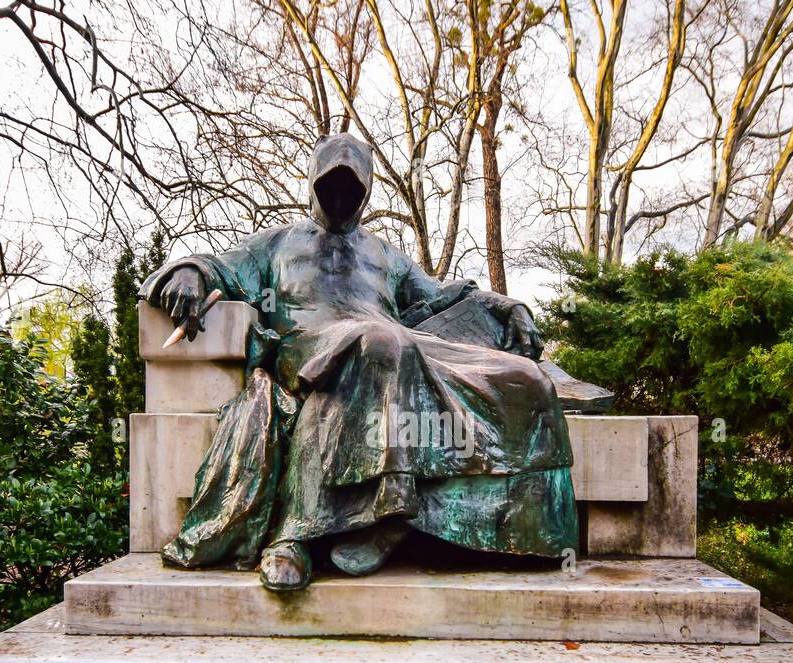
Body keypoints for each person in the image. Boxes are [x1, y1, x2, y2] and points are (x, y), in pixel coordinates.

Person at [140, 133, 577, 592]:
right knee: (382, 342)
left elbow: (442, 294)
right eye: (332, 185)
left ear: (366, 192)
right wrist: (187, 274)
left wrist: (506, 307)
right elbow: (218, 267)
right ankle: (305, 533)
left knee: (525, 379)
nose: (341, 197)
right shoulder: (276, 244)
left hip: (395, 344)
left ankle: (526, 530)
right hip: (309, 343)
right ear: (313, 183)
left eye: (353, 188)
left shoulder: (384, 253)